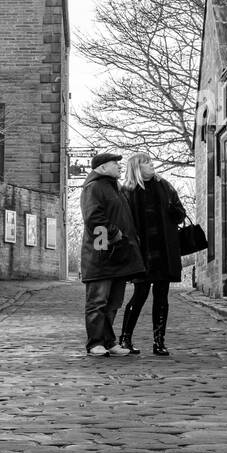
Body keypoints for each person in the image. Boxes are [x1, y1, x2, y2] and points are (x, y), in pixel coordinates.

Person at [118, 153, 187, 356]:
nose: (151, 165)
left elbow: (180, 212)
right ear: (137, 168)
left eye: (151, 162)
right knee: (139, 295)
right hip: (142, 252)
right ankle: (125, 339)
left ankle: (159, 342)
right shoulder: (128, 191)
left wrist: (174, 211)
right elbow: (123, 222)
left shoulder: (164, 186)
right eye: (146, 162)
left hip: (164, 249)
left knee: (162, 296)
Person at [80, 152, 145, 357]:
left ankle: (109, 342)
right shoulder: (94, 188)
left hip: (118, 257)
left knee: (114, 302)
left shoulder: (114, 188)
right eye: (114, 163)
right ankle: (95, 343)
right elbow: (94, 219)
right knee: (98, 302)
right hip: (101, 257)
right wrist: (114, 235)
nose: (119, 166)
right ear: (102, 168)